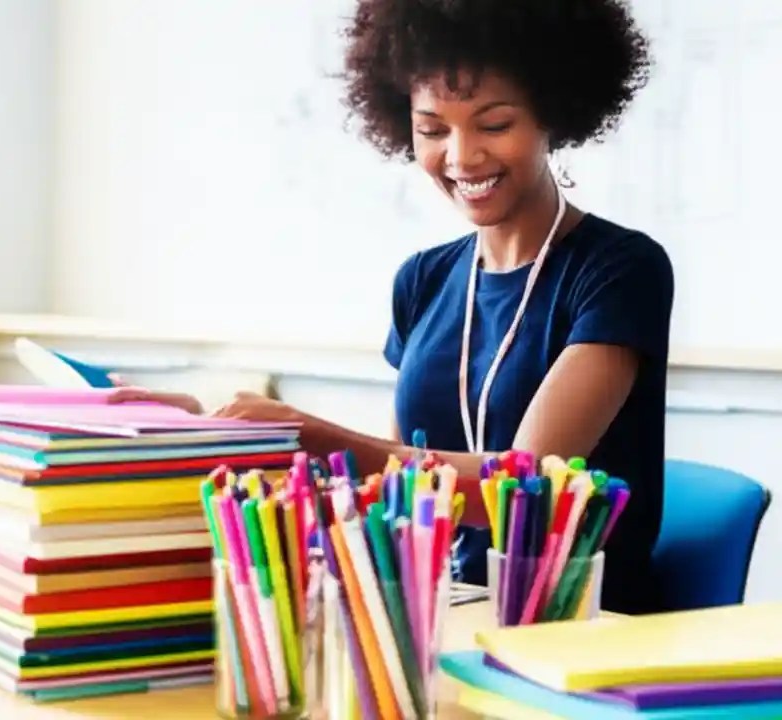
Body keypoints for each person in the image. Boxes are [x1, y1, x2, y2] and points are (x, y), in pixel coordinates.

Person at [112, 0, 671, 616]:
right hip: (440, 617)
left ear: (552, 115)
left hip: (576, 632)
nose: (461, 157)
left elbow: (524, 488)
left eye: (493, 124)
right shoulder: (423, 280)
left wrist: (313, 434)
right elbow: (395, 492)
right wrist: (204, 429)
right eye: (432, 129)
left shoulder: (621, 270)